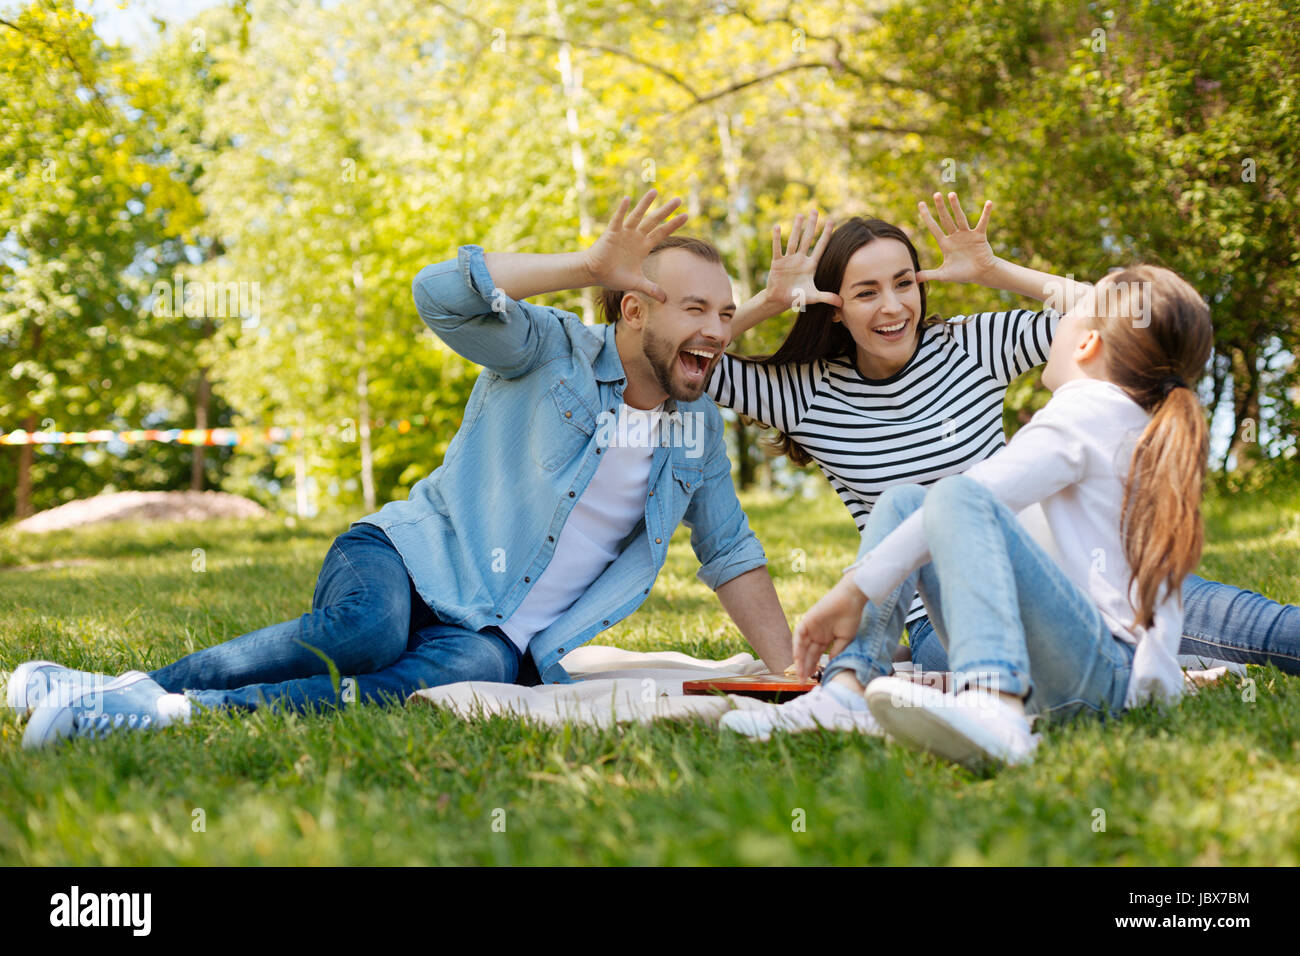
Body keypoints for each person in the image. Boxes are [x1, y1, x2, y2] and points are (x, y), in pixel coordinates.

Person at [11, 190, 794, 748]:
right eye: (695, 308)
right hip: (405, 558)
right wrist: (589, 265)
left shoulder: (695, 435)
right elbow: (440, 295)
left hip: (497, 634)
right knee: (366, 631)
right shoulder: (550, 347)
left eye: (727, 314)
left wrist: (791, 671)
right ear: (634, 309)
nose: (719, 330)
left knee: (433, 684)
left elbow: (730, 555)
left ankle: (165, 710)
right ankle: (121, 682)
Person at [706, 194, 1296, 741]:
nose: (893, 306)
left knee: (1275, 633)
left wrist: (997, 272)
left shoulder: (972, 344)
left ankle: (1043, 690)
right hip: (952, 616)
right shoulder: (803, 394)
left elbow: (1130, 323)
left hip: (1085, 581)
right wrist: (768, 304)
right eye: (866, 292)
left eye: (904, 283)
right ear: (833, 309)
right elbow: (684, 361)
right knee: (911, 501)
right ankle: (849, 695)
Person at [769, 264, 1214, 769]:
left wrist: (852, 589)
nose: (1055, 323)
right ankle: (844, 691)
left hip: (1100, 678)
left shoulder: (1084, 412)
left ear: (1086, 345)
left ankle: (995, 706)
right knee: (905, 501)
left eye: (1067, 316)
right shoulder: (1123, 417)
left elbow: (977, 495)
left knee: (958, 493)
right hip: (1071, 669)